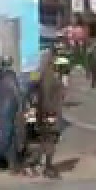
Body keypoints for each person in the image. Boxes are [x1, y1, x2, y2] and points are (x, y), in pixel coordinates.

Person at [29, 51, 66, 179]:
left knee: (42, 138)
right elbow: (60, 94)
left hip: (41, 112)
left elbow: (31, 86)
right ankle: (46, 166)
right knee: (50, 139)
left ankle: (37, 164)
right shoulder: (53, 76)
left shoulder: (38, 73)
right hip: (50, 112)